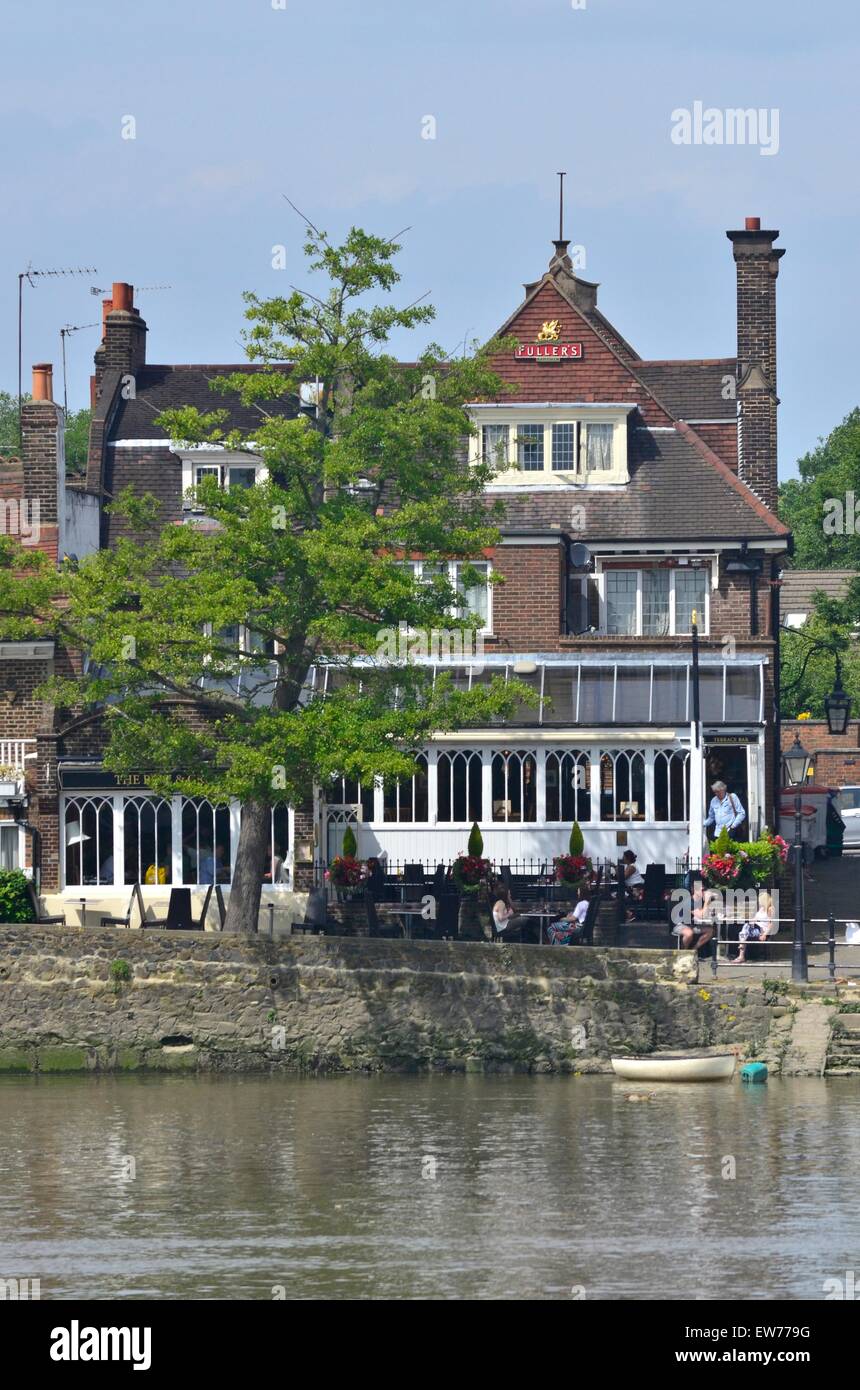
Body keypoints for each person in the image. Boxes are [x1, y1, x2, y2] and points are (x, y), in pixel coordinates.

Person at [731, 892, 776, 964]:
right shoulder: (761, 908)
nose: (759, 902)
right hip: (754, 928)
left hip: (762, 930)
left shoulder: (770, 909)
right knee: (743, 931)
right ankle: (741, 955)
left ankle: (741, 954)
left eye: (760, 901)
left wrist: (765, 934)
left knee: (743, 931)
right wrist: (751, 920)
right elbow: (754, 918)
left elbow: (771, 923)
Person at [679, 881, 719, 954]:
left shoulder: (700, 901)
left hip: (692, 925)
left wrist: (711, 896)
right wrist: (707, 901)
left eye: (704, 889)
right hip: (681, 925)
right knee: (689, 933)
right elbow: (701, 916)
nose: (703, 892)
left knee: (711, 931)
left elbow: (716, 897)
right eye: (701, 890)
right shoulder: (689, 901)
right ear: (693, 890)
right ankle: (682, 953)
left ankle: (693, 951)